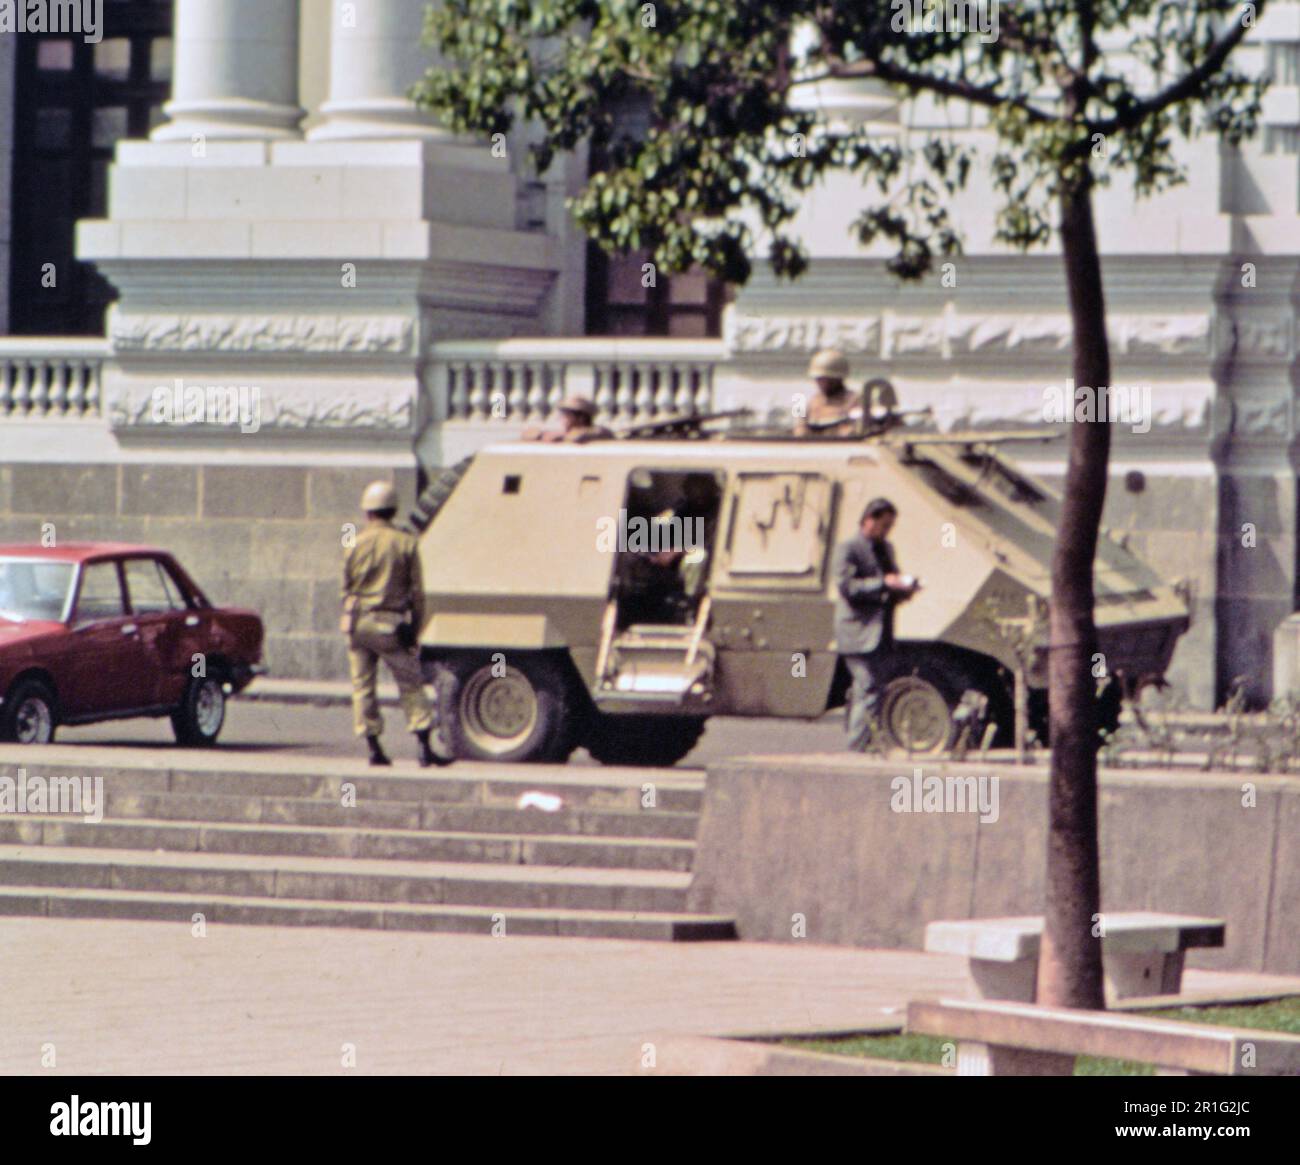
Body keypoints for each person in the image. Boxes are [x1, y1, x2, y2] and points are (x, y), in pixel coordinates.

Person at [342, 481, 452, 767]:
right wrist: (414, 630)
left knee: (362, 686)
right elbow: (417, 594)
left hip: (357, 622)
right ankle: (424, 747)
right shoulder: (405, 542)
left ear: (368, 512)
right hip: (388, 622)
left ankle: (373, 748)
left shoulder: (353, 542)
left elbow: (346, 586)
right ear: (393, 511)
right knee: (411, 683)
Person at [833, 497, 919, 751]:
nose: (886, 531)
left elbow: (891, 580)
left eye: (890, 526)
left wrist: (904, 588)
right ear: (868, 520)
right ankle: (857, 749)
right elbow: (847, 586)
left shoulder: (886, 549)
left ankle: (865, 741)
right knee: (868, 687)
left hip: (880, 632)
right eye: (883, 525)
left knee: (873, 690)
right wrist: (883, 584)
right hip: (856, 632)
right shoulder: (848, 548)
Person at [795, 349, 862, 436]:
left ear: (838, 379)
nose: (821, 383)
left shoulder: (855, 401)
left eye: (826, 379)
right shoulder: (810, 402)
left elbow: (857, 431)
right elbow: (799, 430)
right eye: (818, 379)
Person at [522, 395, 612, 444]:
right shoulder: (565, 432)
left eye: (566, 414)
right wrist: (541, 435)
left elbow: (578, 436)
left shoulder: (597, 432)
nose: (561, 418)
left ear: (581, 417)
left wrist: (561, 437)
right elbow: (527, 433)